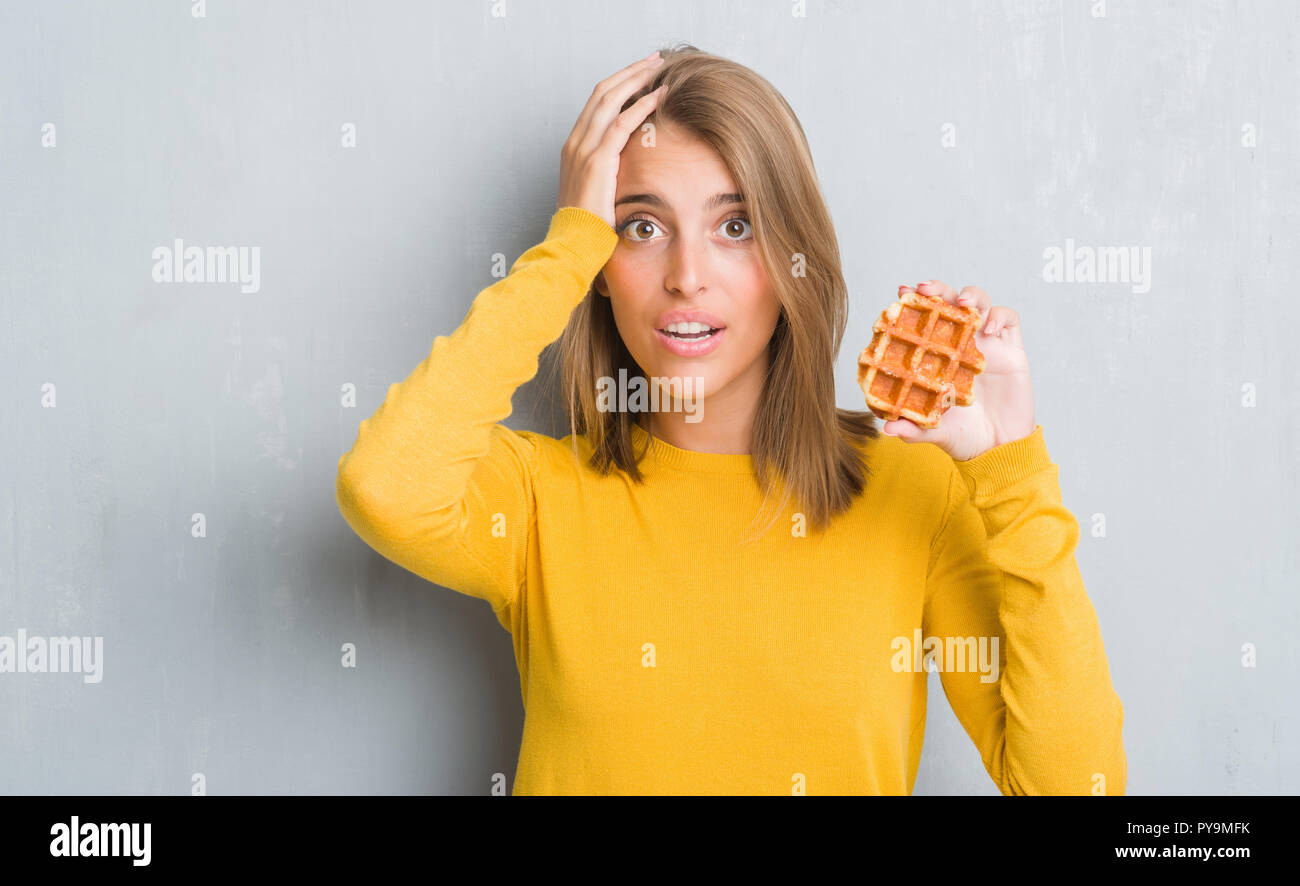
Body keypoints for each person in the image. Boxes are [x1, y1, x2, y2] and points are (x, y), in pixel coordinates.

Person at [335, 44, 1127, 795]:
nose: (686, 277)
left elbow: (1073, 786)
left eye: (736, 226)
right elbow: (384, 490)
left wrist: (1010, 469)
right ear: (601, 268)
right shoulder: (539, 496)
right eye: (640, 227)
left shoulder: (916, 491)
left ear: (793, 259)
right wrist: (568, 248)